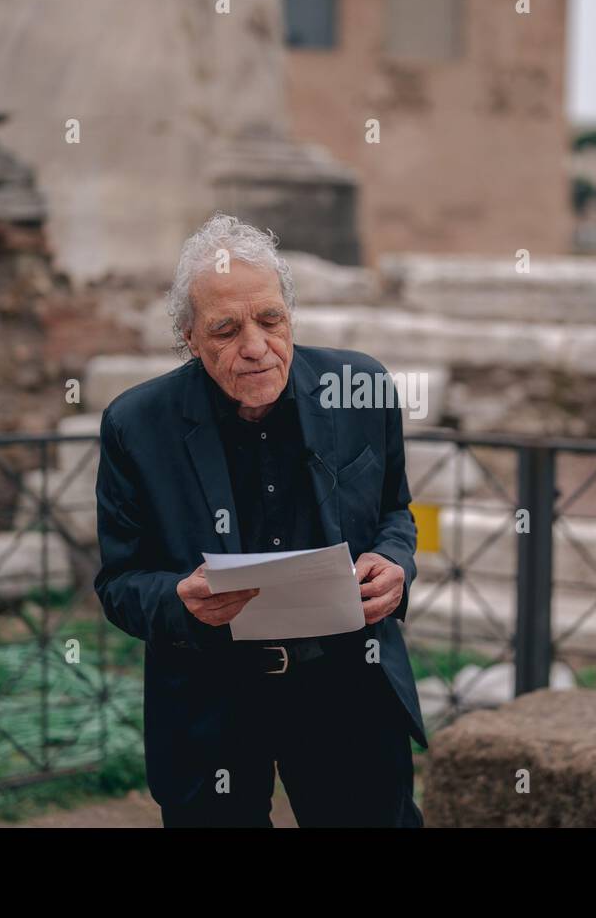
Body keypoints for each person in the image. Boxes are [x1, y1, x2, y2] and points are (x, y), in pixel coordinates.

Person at [93, 212, 426, 827]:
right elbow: (118, 583)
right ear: (189, 337)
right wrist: (179, 600)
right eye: (225, 329)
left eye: (270, 320)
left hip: (344, 682)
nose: (255, 346)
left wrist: (395, 561)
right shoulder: (135, 426)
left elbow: (394, 512)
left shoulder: (361, 387)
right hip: (210, 694)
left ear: (289, 315)